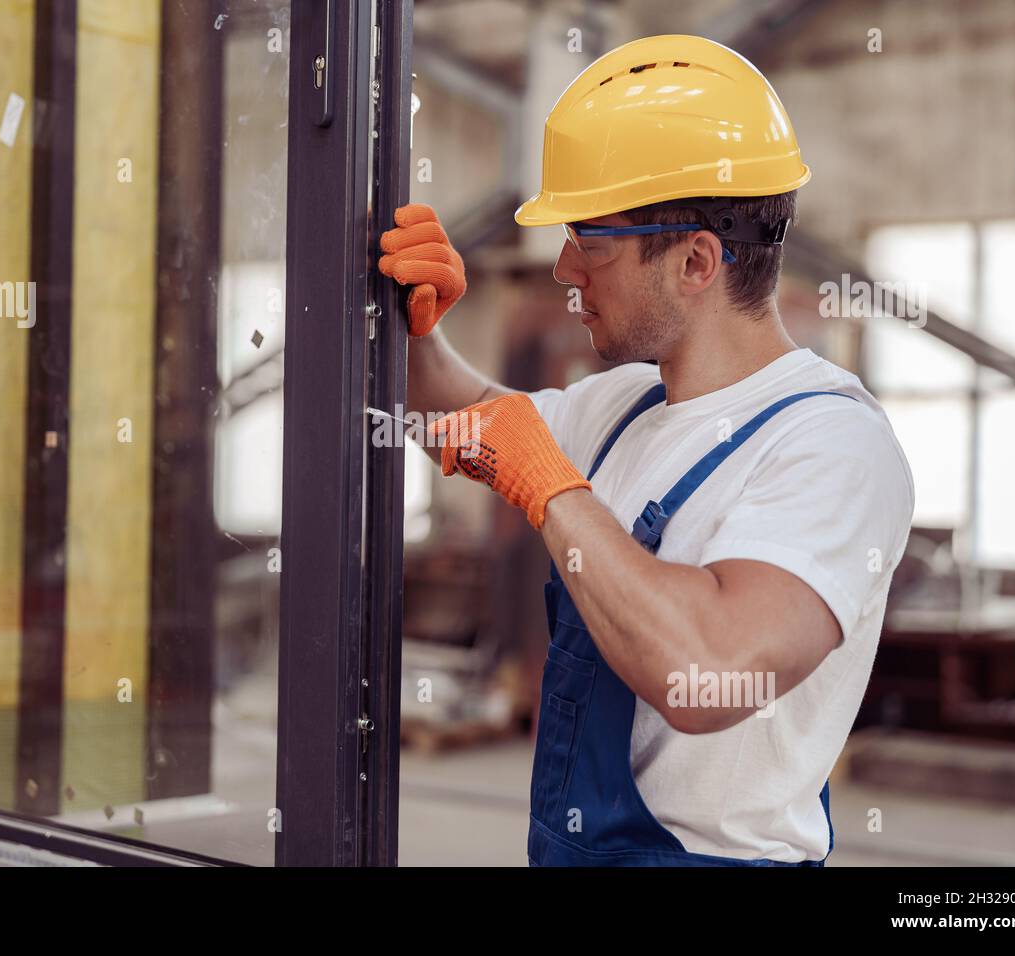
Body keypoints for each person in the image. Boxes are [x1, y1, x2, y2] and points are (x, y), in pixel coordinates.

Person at [378, 34, 915, 866]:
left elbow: (707, 669)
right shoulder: (624, 407)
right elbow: (467, 417)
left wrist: (552, 491)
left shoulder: (832, 445)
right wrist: (416, 334)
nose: (563, 266)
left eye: (590, 238)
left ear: (696, 259)